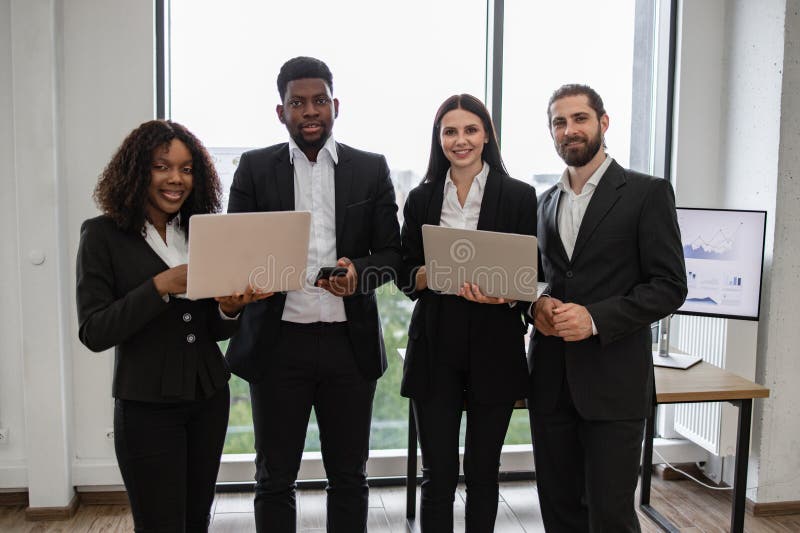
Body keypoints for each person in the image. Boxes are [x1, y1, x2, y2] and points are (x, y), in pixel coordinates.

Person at [225, 56, 401, 532]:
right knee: (274, 478)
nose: (309, 111)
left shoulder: (371, 168)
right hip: (277, 343)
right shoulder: (254, 168)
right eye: (297, 102)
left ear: (335, 106)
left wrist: (358, 273)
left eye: (319, 100)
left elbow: (393, 253)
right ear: (280, 111)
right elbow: (236, 249)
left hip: (349, 344)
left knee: (349, 476)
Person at [76, 119, 267, 531]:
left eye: (186, 169)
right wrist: (159, 286)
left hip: (208, 397)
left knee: (197, 520)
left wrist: (229, 309)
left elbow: (212, 328)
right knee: (160, 524)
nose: (176, 179)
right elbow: (94, 330)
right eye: (162, 167)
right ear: (136, 171)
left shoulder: (201, 232)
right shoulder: (102, 235)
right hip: (146, 405)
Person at [528, 84, 687, 532]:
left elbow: (670, 286)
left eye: (579, 118)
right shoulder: (543, 203)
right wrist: (535, 307)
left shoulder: (647, 193)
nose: (569, 130)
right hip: (550, 381)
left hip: (614, 382)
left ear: (603, 122)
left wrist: (595, 318)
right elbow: (534, 281)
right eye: (559, 122)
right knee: (559, 511)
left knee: (611, 516)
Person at [398, 94, 537, 531]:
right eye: (450, 131)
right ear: (439, 138)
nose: (461, 140)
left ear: (487, 135)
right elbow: (403, 272)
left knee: (482, 471)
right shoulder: (421, 198)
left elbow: (533, 274)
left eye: (470, 130)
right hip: (435, 341)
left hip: (495, 340)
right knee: (437, 473)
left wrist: (507, 296)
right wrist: (428, 274)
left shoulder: (520, 196)